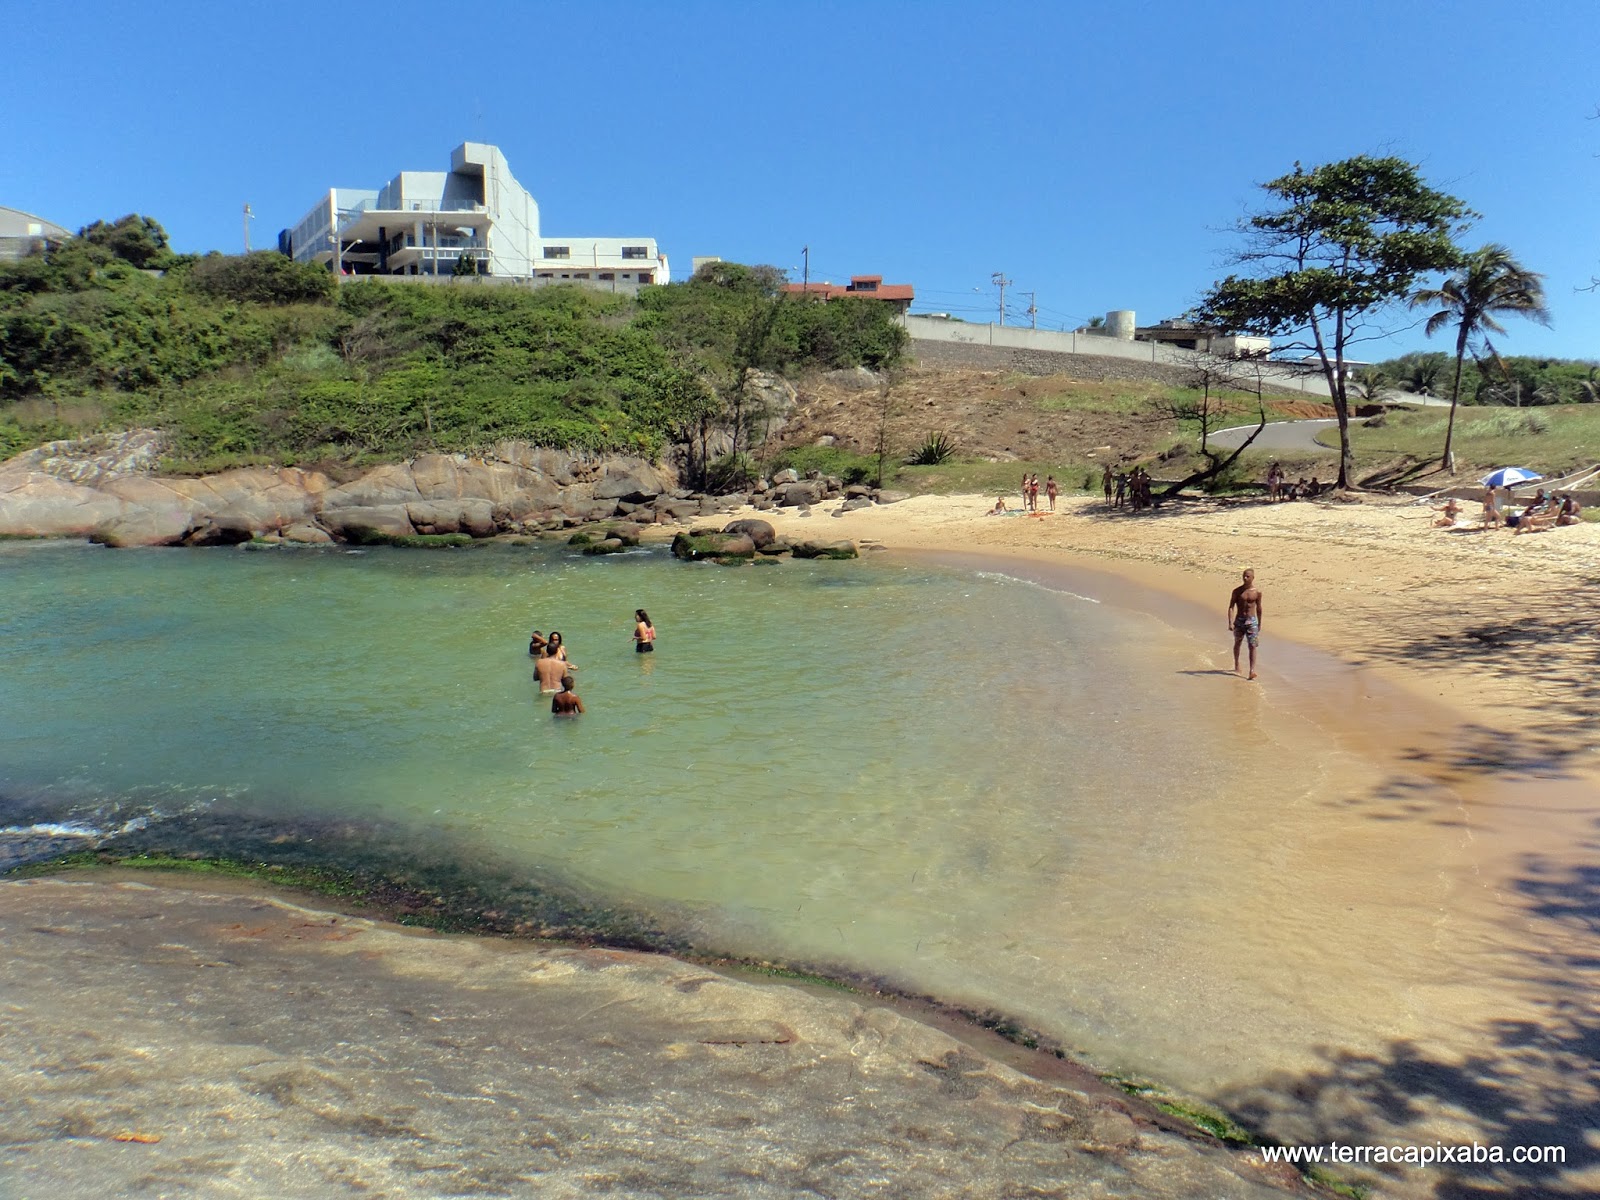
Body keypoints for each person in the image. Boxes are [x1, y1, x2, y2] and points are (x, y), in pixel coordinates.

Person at [1227, 568, 1264, 680]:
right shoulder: (1237, 591)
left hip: (1251, 621)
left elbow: (1259, 608)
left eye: (1248, 576)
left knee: (1252, 645)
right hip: (1239, 621)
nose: (1245, 578)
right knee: (1237, 642)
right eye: (1244, 576)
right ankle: (1237, 664)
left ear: (1253, 578)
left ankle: (1252, 671)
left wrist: (1259, 623)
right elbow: (1231, 607)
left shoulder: (1257, 592)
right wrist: (1230, 622)